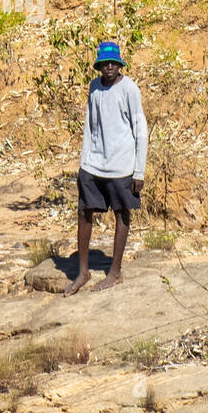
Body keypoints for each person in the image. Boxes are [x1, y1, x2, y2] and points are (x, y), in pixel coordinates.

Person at [65, 41, 147, 296]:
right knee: (84, 212)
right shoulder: (94, 87)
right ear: (99, 65)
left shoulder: (129, 89)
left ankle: (115, 271)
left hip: (122, 165)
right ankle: (83, 272)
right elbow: (91, 125)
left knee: (122, 214)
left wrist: (139, 171)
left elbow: (140, 129)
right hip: (94, 163)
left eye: (114, 62)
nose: (109, 67)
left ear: (120, 64)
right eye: (105, 63)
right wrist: (83, 162)